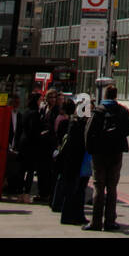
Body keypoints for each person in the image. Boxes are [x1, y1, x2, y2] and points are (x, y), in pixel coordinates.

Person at [84, 83, 129, 232]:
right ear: (116, 95)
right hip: (116, 153)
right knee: (112, 188)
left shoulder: (98, 111)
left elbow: (88, 132)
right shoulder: (122, 111)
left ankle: (96, 222)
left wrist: (90, 149)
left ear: (105, 95)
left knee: (98, 187)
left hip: (99, 153)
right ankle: (110, 221)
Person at [57, 95, 94, 226]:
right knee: (74, 190)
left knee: (78, 190)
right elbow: (78, 144)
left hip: (77, 162)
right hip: (75, 162)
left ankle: (76, 215)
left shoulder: (76, 122)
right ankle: (70, 216)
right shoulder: (78, 124)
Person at [50, 98, 76, 211]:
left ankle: (55, 202)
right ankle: (57, 203)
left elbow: (58, 136)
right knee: (64, 180)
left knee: (59, 179)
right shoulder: (69, 122)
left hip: (60, 151)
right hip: (66, 154)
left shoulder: (62, 121)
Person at [35, 89, 61, 203]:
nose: (53, 99)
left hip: (51, 143)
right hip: (42, 144)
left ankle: (48, 194)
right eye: (50, 97)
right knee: (41, 169)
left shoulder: (57, 111)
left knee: (49, 170)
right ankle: (42, 193)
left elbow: (56, 128)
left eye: (55, 97)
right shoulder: (43, 109)